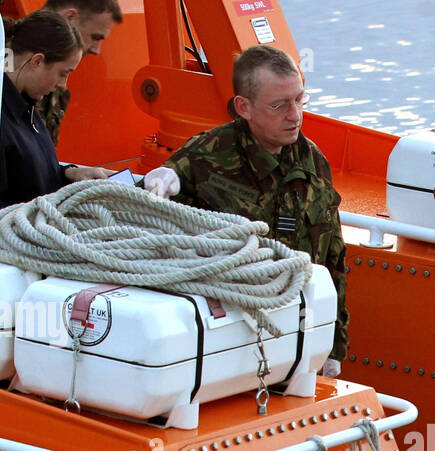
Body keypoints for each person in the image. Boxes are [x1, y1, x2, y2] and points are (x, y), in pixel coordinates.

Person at [143, 45, 348, 378]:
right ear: (244, 107)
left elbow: (334, 256)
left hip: (298, 336)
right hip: (230, 341)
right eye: (279, 105)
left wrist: (334, 345)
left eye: (299, 100)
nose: (295, 115)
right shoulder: (205, 158)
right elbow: (149, 216)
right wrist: (163, 179)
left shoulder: (313, 161)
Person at [0, 0, 122, 236]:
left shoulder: (24, 95)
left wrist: (67, 174)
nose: (62, 84)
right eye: (63, 73)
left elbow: (26, 161)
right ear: (37, 61)